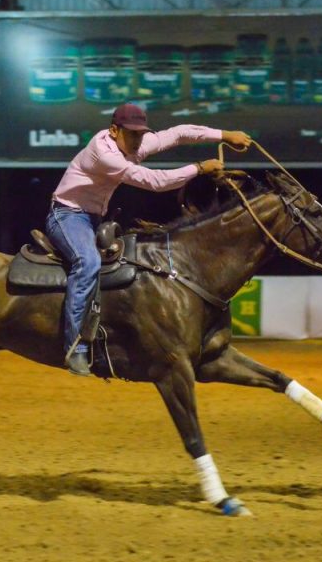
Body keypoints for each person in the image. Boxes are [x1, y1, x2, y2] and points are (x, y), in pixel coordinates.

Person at [45, 103, 252, 376]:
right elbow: (154, 181)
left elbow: (179, 132)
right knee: (88, 262)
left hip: (94, 218)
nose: (138, 140)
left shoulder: (131, 145)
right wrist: (199, 168)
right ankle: (75, 348)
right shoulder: (104, 153)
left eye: (141, 134)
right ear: (114, 130)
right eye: (132, 134)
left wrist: (224, 134)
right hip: (67, 215)